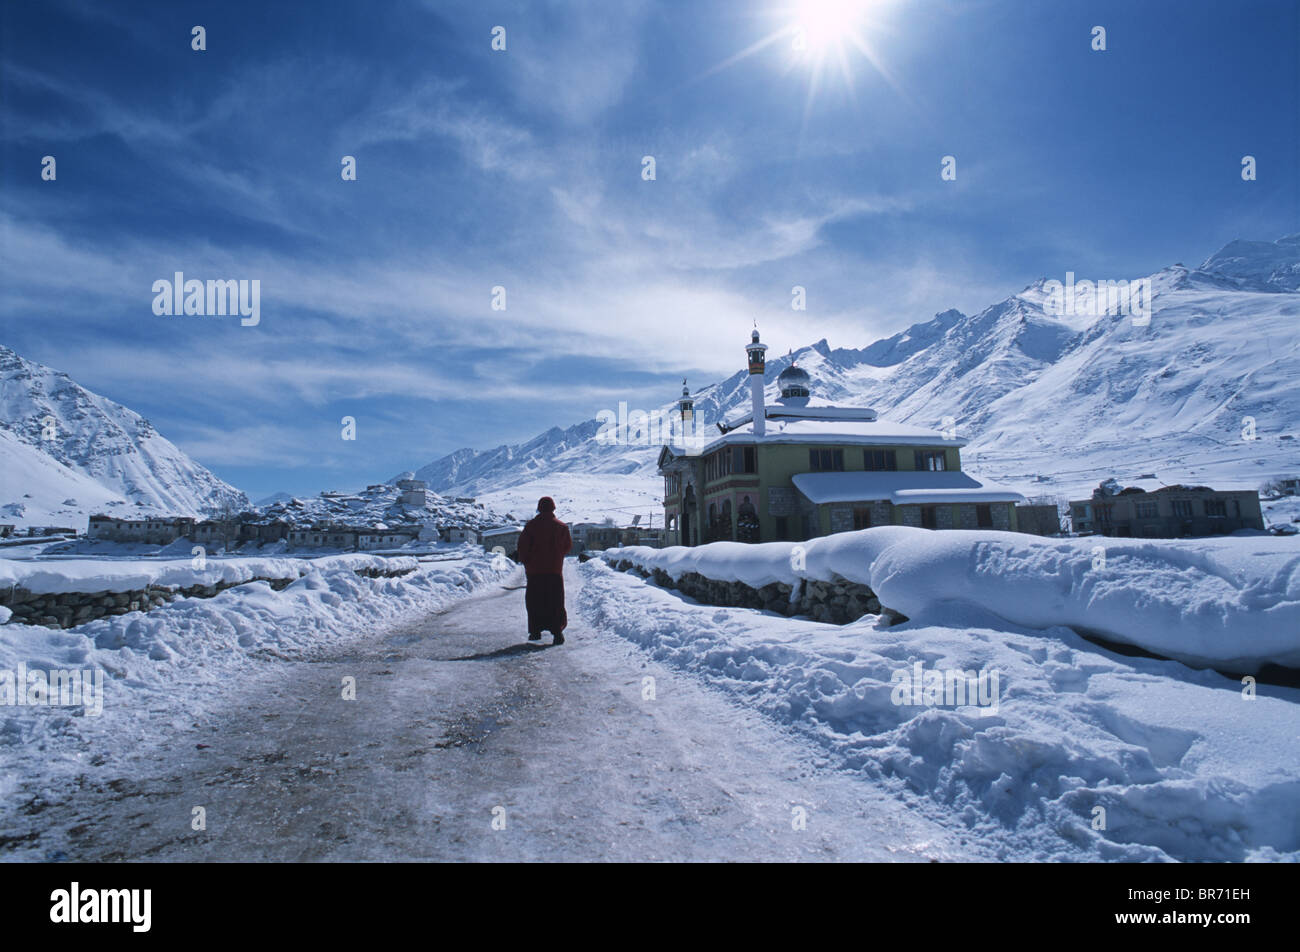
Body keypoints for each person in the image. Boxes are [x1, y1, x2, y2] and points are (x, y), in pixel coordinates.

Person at [515, 496, 572, 644]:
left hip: (535, 573)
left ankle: (535, 632)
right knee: (555, 602)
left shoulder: (531, 526)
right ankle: (557, 633)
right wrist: (557, 556)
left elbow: (522, 547)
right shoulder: (562, 527)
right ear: (553, 508)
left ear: (539, 508)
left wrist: (527, 561)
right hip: (554, 572)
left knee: (535, 602)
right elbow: (567, 547)